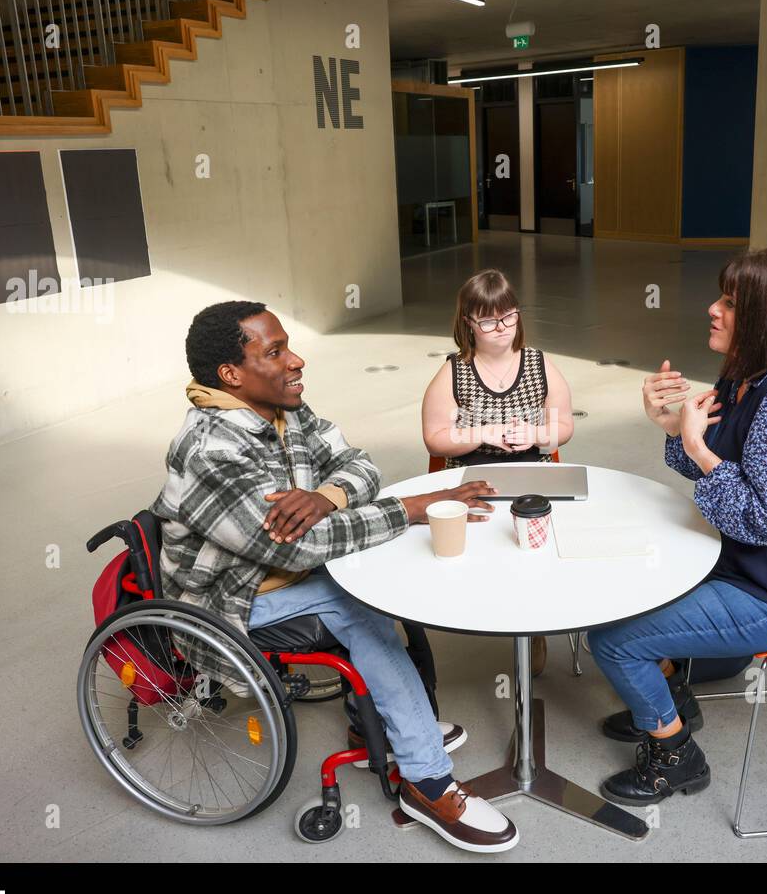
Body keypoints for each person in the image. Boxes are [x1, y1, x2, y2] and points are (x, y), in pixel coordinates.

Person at [152, 300, 519, 853]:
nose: (296, 360)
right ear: (231, 375)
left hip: (282, 574)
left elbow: (360, 463)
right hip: (230, 602)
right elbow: (303, 548)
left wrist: (327, 494)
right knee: (361, 607)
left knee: (388, 575)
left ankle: (380, 724)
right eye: (274, 352)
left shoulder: (282, 407)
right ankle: (427, 783)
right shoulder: (212, 449)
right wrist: (416, 507)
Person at [587, 249, 767, 806]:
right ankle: (673, 699)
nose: (712, 309)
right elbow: (713, 467)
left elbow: (763, 521)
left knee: (612, 641)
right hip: (736, 566)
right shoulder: (746, 377)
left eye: (730, 303)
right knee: (624, 592)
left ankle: (675, 754)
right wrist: (673, 428)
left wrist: (697, 445)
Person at [421, 269, 574, 675]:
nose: (502, 328)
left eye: (509, 317)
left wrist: (536, 433)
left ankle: (532, 626)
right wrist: (482, 432)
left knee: (532, 541)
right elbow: (435, 439)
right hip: (473, 475)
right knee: (489, 544)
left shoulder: (539, 363)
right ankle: (497, 608)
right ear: (468, 324)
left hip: (531, 472)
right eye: (489, 321)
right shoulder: (454, 370)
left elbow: (563, 430)